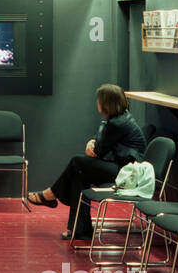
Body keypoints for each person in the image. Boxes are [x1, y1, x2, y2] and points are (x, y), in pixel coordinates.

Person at [28, 83, 145, 240]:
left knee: (77, 162)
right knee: (79, 175)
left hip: (126, 173)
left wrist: (93, 145)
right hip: (121, 167)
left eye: (99, 100)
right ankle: (79, 230)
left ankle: (52, 194)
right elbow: (99, 142)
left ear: (107, 103)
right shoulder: (119, 118)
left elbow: (98, 151)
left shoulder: (118, 124)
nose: (97, 103)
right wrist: (92, 142)